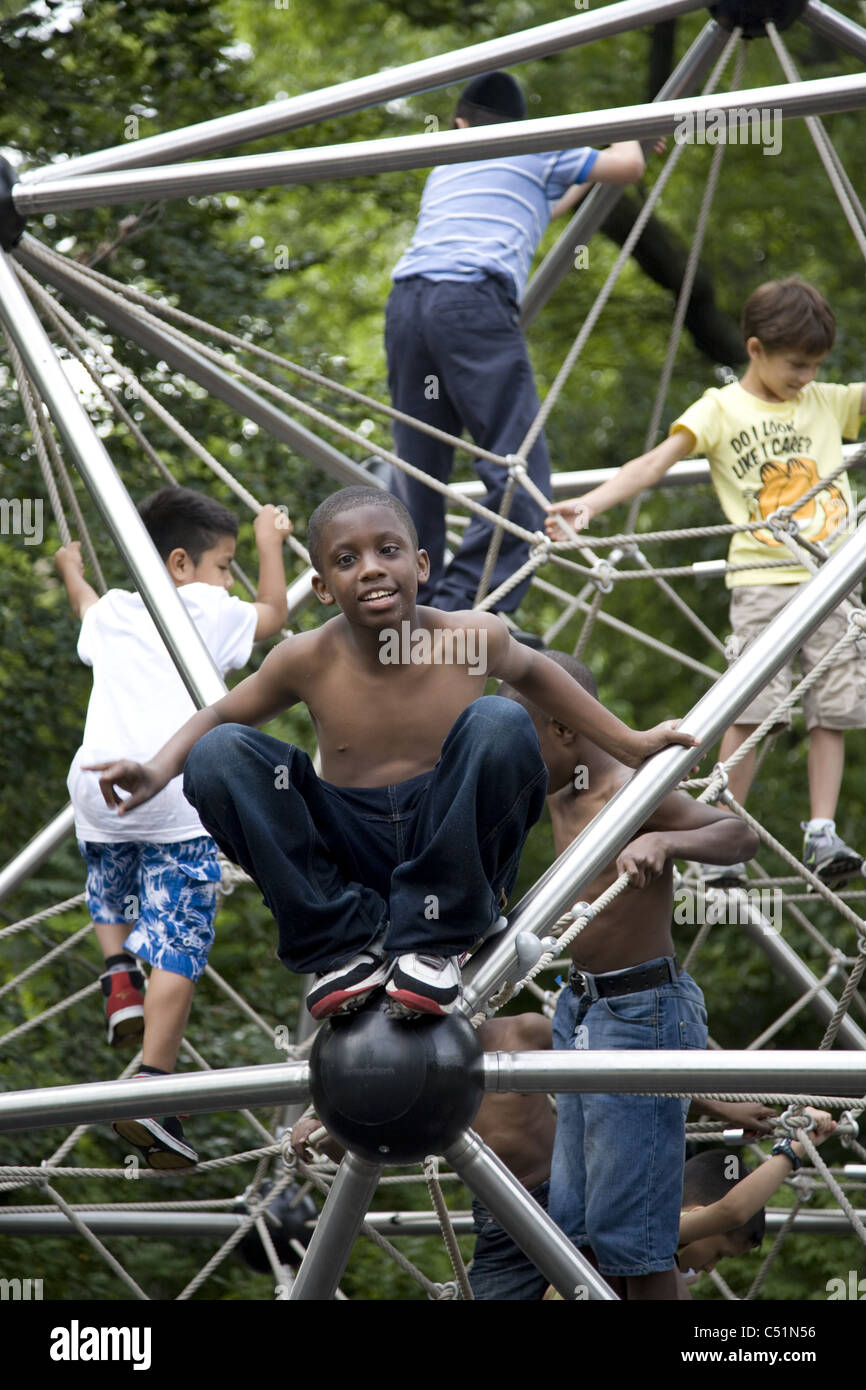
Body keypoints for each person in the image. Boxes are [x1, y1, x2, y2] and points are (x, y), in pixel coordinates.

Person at [85, 486, 697, 1026]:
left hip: (450, 841)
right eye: (346, 561)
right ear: (323, 587)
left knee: (499, 719)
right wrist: (157, 768)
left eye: (388, 551)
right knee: (220, 753)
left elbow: (542, 678)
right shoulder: (306, 657)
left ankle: (438, 940)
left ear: (421, 564)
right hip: (349, 849)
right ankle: (338, 946)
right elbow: (218, 715)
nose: (371, 569)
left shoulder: (471, 637)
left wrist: (634, 744)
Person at [547, 278, 866, 887]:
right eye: (796, 364)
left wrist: (817, 380)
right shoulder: (721, 410)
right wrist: (589, 504)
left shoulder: (826, 401)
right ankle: (717, 822)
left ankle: (822, 831)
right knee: (753, 707)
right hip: (763, 576)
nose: (806, 376)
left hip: (832, 578)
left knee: (836, 706)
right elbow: (652, 464)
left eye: (815, 365)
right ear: (754, 349)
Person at [499, 649, 759, 1300]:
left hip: (641, 1004)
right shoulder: (557, 788)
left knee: (634, 1234)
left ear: (562, 731)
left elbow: (737, 836)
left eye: (519, 744)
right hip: (583, 1007)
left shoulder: (626, 790)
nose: (511, 765)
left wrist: (667, 841)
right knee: (577, 1225)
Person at [55, 486, 290, 1168]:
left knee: (111, 889)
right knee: (180, 937)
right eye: (227, 565)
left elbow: (85, 606)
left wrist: (72, 567)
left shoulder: (118, 612)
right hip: (171, 790)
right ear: (183, 564)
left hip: (97, 787)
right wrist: (269, 538)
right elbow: (273, 615)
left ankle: (115, 973)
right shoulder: (207, 609)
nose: (229, 580)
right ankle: (154, 1083)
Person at [386, 69, 647, 615]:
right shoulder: (538, 148)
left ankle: (415, 598)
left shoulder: (449, 161)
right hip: (471, 306)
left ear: (460, 123)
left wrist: (581, 172)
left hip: (408, 306)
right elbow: (629, 167)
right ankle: (468, 601)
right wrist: (630, 131)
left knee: (418, 466)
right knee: (520, 470)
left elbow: (545, 206)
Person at [291, 1011, 555, 1301]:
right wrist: (320, 1133)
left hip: (568, 1189)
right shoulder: (416, 1074)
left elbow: (597, 1069)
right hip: (501, 1220)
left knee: (602, 1274)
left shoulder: (525, 1031)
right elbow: (365, 1151)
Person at [676, 1106, 836, 1288]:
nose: (710, 1269)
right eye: (718, 1254)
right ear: (696, 1216)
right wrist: (795, 1147)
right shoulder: (658, 1228)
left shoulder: (672, 1265)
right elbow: (732, 1212)